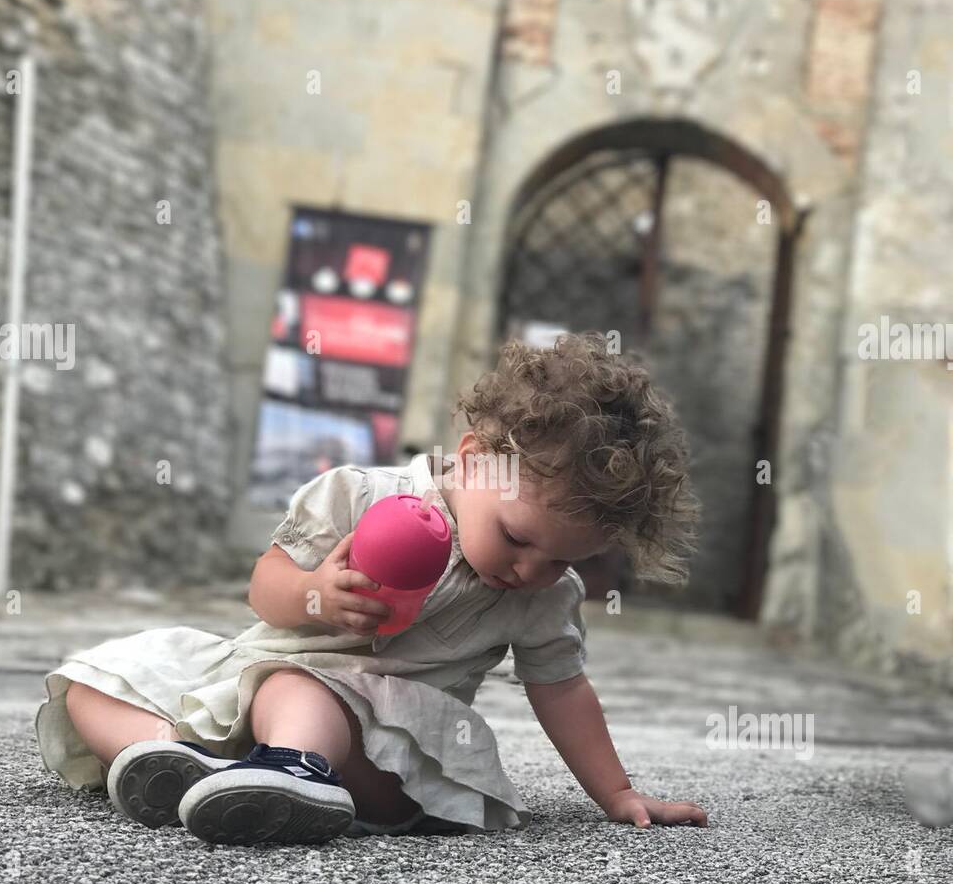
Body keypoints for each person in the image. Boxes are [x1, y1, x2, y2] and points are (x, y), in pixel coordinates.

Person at [35, 331, 709, 846]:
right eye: (518, 539)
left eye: (565, 564)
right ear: (473, 461)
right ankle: (173, 759)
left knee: (302, 687)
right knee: (97, 678)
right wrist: (315, 595)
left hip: (387, 758)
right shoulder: (360, 496)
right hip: (258, 688)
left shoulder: (540, 596)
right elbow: (264, 588)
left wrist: (617, 793)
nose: (530, 572)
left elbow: (561, 688)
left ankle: (294, 777)